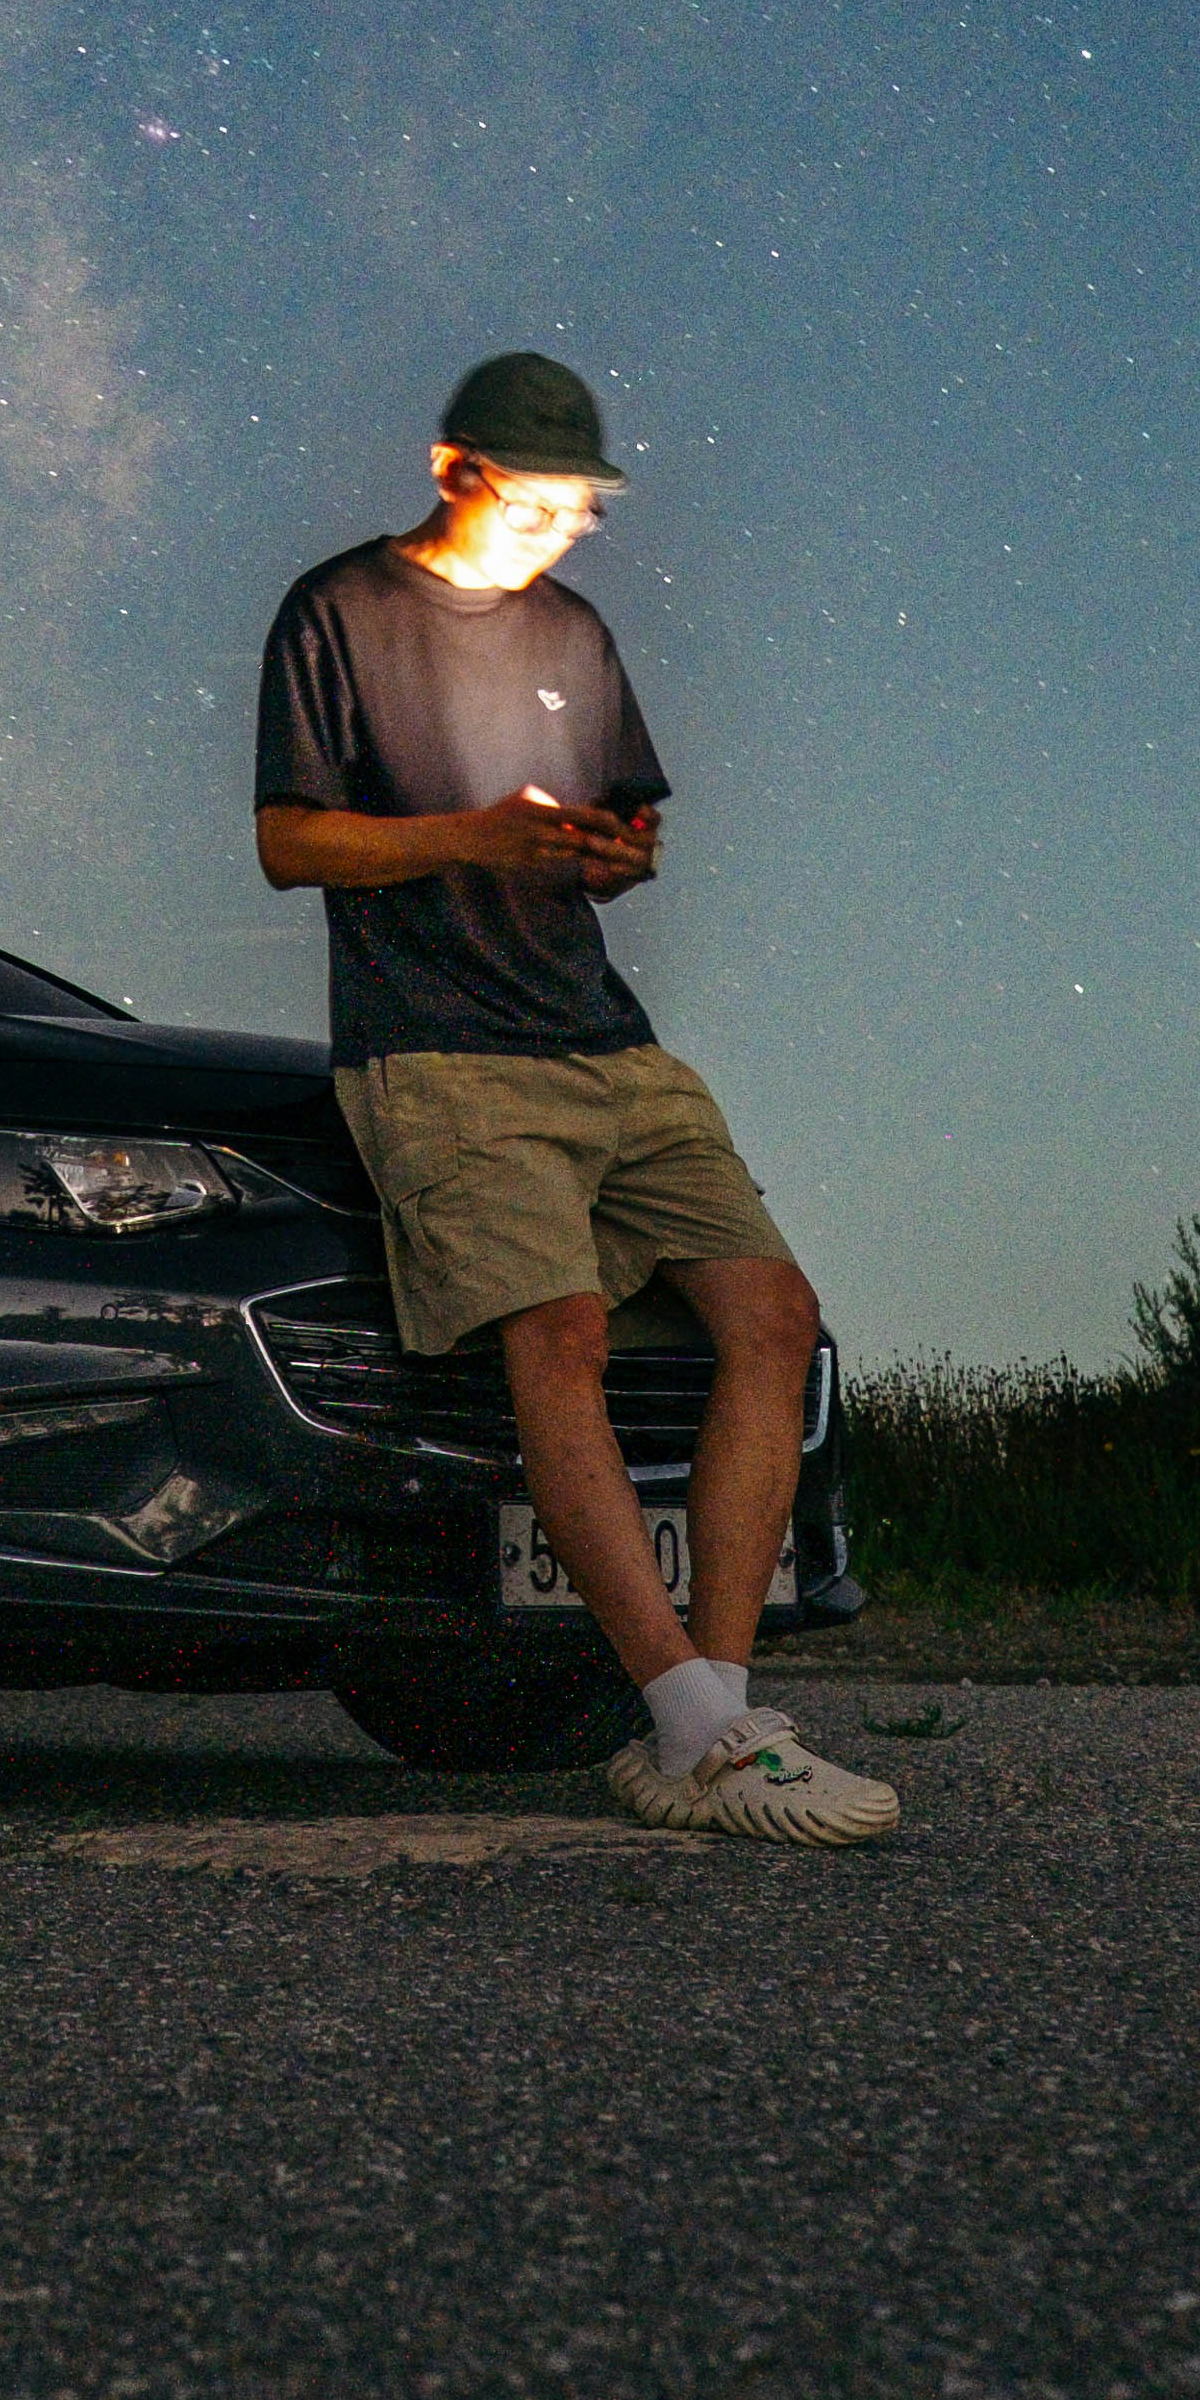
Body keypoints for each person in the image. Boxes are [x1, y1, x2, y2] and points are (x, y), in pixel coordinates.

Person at [253, 351, 897, 1845]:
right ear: (451, 467)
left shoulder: (577, 630)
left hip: (607, 1042)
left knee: (772, 1317)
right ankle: (688, 1721)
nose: (564, 525)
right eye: (541, 497)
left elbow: (631, 820)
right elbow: (289, 842)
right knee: (560, 1335)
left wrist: (615, 857)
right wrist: (466, 837)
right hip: (442, 1054)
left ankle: (713, 1718)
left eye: (583, 504)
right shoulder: (337, 610)